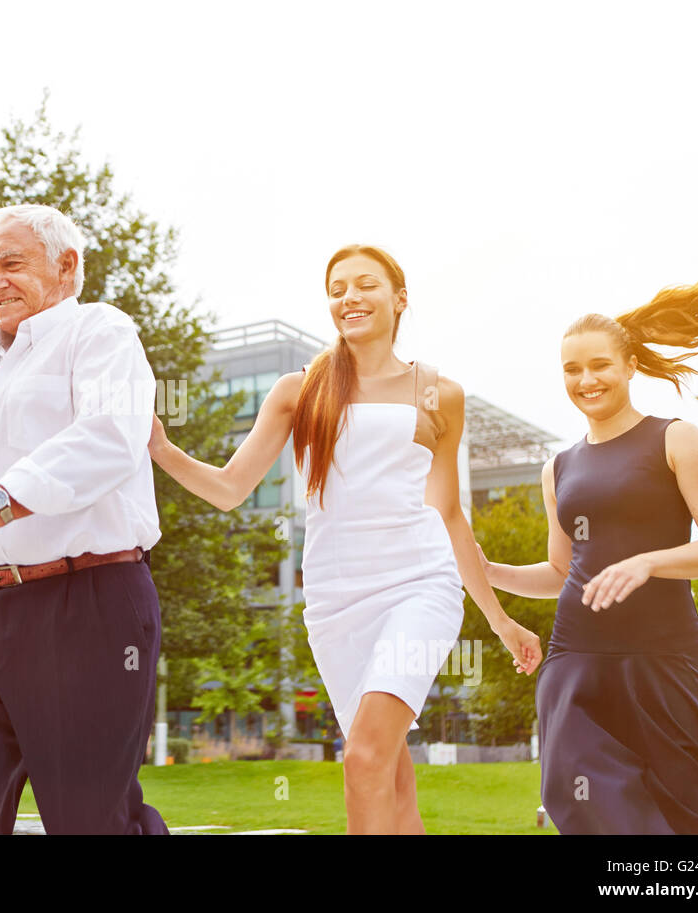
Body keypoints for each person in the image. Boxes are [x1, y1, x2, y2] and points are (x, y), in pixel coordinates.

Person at [148, 244, 542, 833]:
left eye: (366, 285)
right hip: (335, 601)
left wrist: (499, 619)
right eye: (337, 289)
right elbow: (231, 488)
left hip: (419, 585)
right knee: (392, 780)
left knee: (361, 759)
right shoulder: (299, 389)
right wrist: (161, 447)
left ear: (399, 298)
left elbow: (450, 516)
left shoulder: (439, 393)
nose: (349, 297)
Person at [0, 203, 168, 834]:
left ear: (67, 266)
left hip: (89, 603)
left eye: (12, 263)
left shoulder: (101, 333)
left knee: (88, 821)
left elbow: (108, 439)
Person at [477, 273, 698, 834]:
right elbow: (561, 572)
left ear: (630, 366)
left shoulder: (675, 439)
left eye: (600, 365)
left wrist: (649, 561)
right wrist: (486, 571)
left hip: (664, 661)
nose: (586, 379)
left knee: (677, 820)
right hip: (578, 658)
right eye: (572, 369)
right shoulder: (558, 468)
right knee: (579, 799)